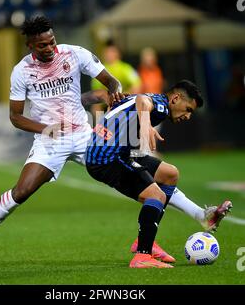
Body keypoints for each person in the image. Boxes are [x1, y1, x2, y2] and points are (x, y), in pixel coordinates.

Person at [0, 16, 124, 270]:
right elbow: (15, 117)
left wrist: (115, 89)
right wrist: (46, 129)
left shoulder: (74, 54)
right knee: (22, 191)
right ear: (30, 45)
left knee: (130, 176)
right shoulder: (21, 71)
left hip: (83, 134)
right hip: (50, 140)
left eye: (52, 42)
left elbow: (111, 81)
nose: (49, 48)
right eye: (42, 45)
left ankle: (163, 232)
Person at [85, 80, 232, 268]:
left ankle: (195, 218)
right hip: (106, 158)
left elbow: (110, 97)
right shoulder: (161, 106)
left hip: (114, 151)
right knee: (157, 195)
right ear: (176, 98)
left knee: (170, 174)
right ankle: (142, 256)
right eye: (188, 109)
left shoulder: (157, 102)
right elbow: (142, 100)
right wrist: (146, 125)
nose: (187, 116)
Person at [90, 40, 141, 117]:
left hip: (124, 101)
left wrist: (124, 96)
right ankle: (102, 126)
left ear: (117, 54)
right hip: (107, 104)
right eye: (107, 52)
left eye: (111, 52)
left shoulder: (125, 68)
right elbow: (96, 92)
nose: (109, 55)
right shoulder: (99, 69)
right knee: (95, 106)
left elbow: (137, 85)